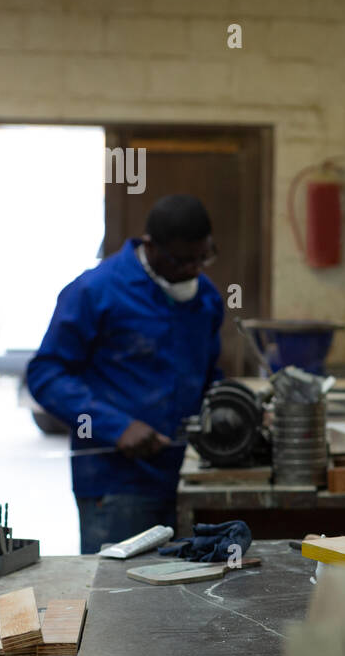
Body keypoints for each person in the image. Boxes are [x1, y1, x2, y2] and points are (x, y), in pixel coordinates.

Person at [28, 195, 223, 554]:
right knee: (118, 598)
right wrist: (115, 426)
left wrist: (232, 409)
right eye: (182, 260)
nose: (194, 269)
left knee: (185, 597)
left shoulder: (205, 298)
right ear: (150, 247)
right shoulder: (95, 291)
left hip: (187, 477)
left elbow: (210, 374)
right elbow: (45, 374)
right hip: (117, 484)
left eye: (203, 257)